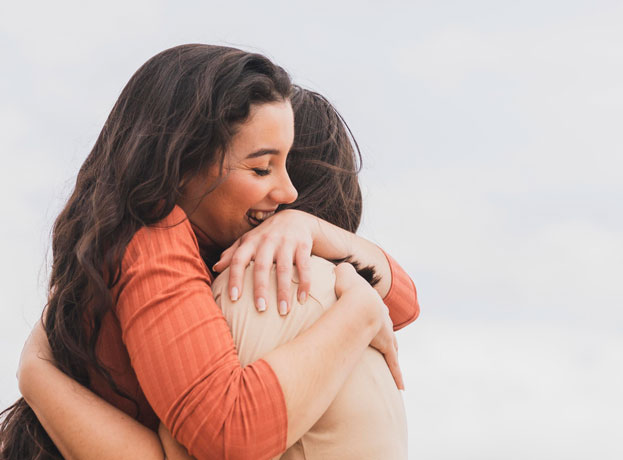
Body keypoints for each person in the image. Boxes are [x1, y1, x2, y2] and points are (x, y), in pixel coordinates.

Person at [0, 45, 418, 460]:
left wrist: (311, 228)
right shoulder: (163, 247)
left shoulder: (222, 257)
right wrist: (358, 314)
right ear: (184, 162)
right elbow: (228, 433)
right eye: (262, 168)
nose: (286, 192)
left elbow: (404, 304)